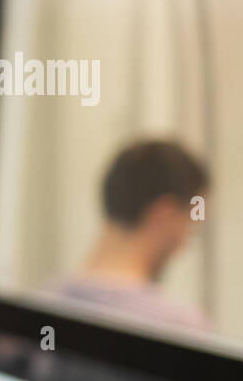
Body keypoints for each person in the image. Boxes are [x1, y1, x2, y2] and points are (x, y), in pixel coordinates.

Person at [43, 138, 212, 333]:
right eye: (190, 227)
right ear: (166, 214)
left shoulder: (39, 305)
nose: (184, 244)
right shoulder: (182, 329)